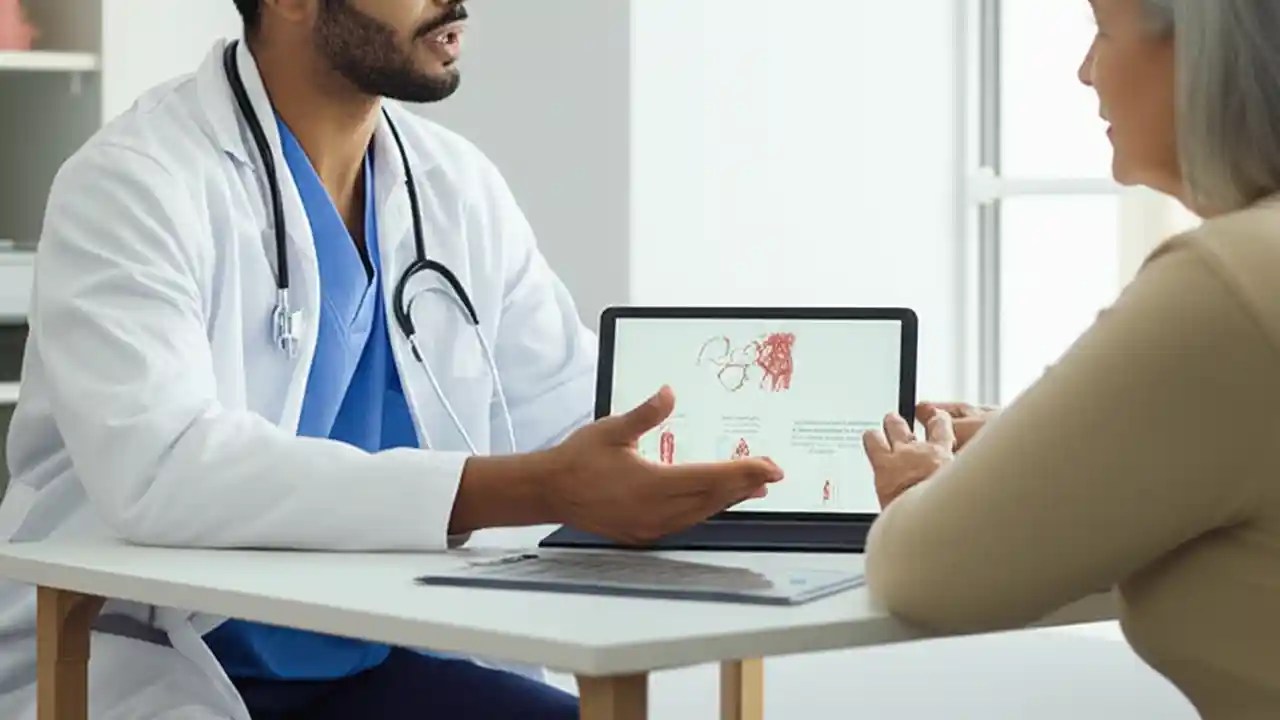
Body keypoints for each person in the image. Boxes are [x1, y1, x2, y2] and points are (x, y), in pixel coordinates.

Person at [0, 1, 783, 718]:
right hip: (151, 662)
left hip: (380, 662)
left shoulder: (455, 187)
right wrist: (535, 486)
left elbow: (576, 411)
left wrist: (836, 471)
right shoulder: (134, 184)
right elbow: (161, 470)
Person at [861, 1, 1280, 717]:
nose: (1085, 72)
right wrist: (1039, 448)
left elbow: (925, 572)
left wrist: (929, 483)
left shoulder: (1226, 281)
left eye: (1104, 33)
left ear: (1205, 55)